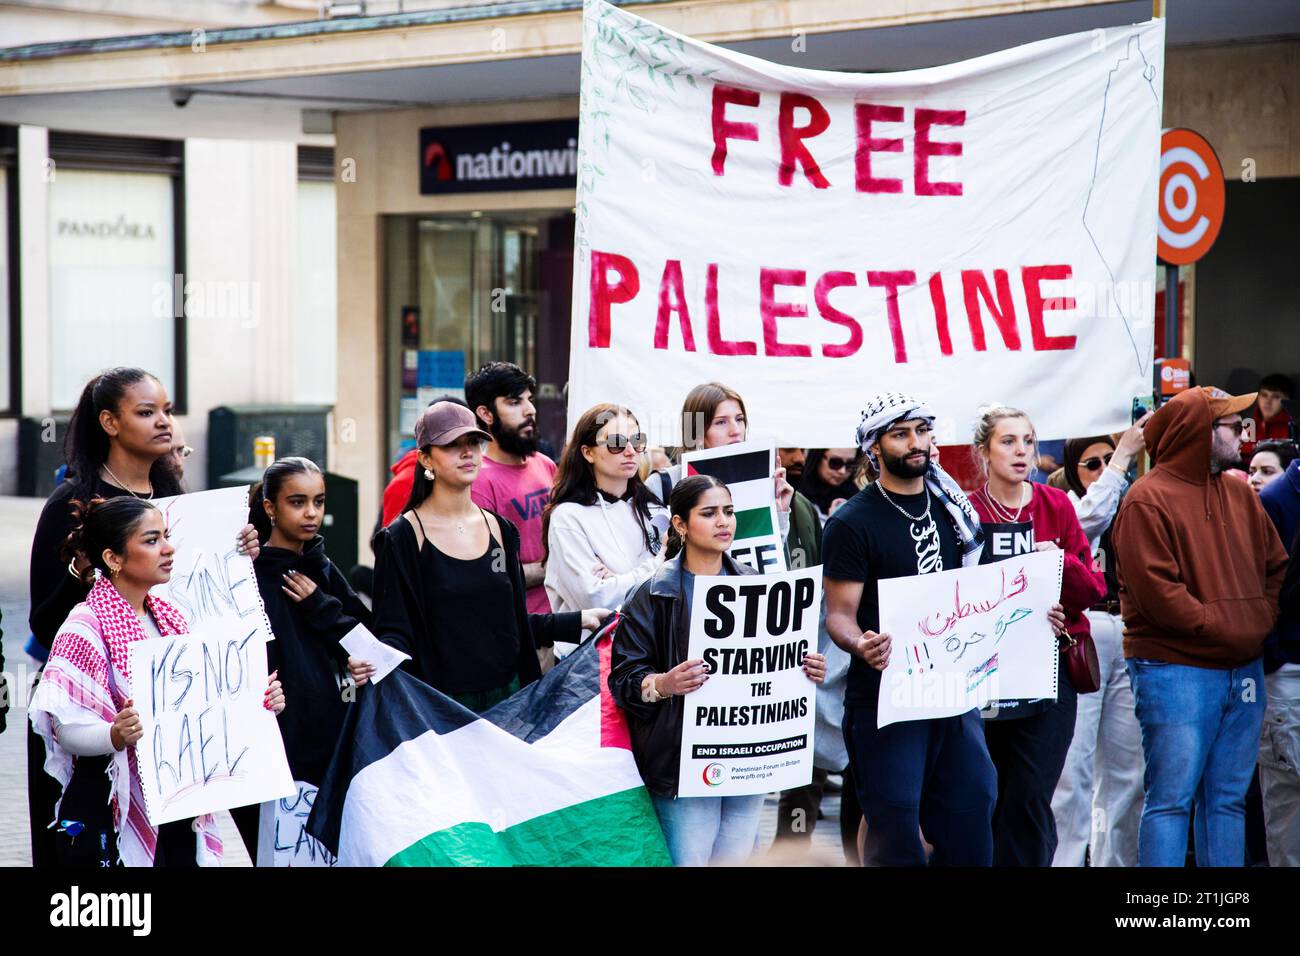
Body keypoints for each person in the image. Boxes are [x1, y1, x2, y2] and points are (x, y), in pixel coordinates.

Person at [26, 367, 259, 867]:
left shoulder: (182, 502)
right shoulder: (70, 503)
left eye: (168, 411)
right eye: (147, 412)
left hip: (171, 720)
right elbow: (43, 625)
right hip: (96, 718)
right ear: (110, 422)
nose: (164, 422)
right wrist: (80, 571)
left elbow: (203, 609)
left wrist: (239, 551)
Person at [825, 392, 1049, 866]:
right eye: (901, 434)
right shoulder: (851, 521)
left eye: (923, 431)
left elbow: (984, 595)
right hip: (886, 699)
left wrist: (1036, 613)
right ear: (874, 447)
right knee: (896, 827)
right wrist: (861, 643)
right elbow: (839, 614)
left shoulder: (954, 511)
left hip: (953, 695)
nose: (916, 443)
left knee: (973, 809)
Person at [28, 496, 284, 867]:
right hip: (111, 804)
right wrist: (114, 734)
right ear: (113, 558)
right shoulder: (85, 626)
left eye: (165, 536)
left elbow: (205, 705)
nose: (168, 548)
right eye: (151, 540)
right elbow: (65, 729)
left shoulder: (172, 618)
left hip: (174, 804)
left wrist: (258, 700)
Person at [610, 475, 827, 865]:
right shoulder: (652, 593)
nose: (724, 521)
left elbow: (775, 660)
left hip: (750, 757)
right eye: (709, 513)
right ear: (680, 524)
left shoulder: (758, 584)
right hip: (682, 761)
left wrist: (805, 667)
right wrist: (664, 683)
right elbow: (624, 680)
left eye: (728, 511)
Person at [1112, 386, 1288, 866]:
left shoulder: (1239, 492)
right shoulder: (1146, 499)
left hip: (1242, 666)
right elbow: (1158, 594)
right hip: (1175, 669)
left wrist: (1257, 620)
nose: (1244, 434)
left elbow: (1276, 566)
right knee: (1171, 801)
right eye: (1232, 426)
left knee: (1227, 801)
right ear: (1199, 433)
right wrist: (1228, 625)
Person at [373, 401, 604, 711]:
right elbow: (394, 632)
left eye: (473, 442)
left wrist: (577, 621)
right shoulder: (401, 538)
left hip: (508, 702)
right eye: (452, 445)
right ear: (426, 458)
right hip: (440, 709)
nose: (467, 452)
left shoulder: (501, 529)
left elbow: (509, 622)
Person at [968, 407, 1107, 867]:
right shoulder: (966, 512)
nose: (1021, 451)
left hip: (1050, 670)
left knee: (1030, 794)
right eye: (1008, 441)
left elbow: (1093, 589)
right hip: (984, 673)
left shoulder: (1056, 504)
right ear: (984, 451)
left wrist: (1059, 562)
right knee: (987, 791)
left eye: (1028, 441)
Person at [230, 457, 375, 856]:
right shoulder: (247, 571)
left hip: (326, 728)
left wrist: (319, 606)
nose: (311, 513)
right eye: (297, 502)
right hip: (267, 734)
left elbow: (364, 640)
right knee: (273, 850)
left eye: (319, 501)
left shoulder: (320, 566)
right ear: (270, 507)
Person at [1050, 420, 1151, 868]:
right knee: (1074, 768)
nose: (1104, 469)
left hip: (1126, 627)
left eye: (1108, 460)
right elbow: (1085, 522)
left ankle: (1115, 863)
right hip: (1082, 629)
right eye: (1092, 464)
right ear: (1073, 470)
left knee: (1128, 772)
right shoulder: (1068, 506)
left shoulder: (1132, 501)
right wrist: (1122, 459)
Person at [543, 404, 667, 627]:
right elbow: (596, 600)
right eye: (616, 443)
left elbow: (681, 580)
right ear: (588, 452)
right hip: (597, 646)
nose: (630, 451)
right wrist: (659, 564)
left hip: (653, 641)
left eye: (637, 441)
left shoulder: (654, 509)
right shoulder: (568, 517)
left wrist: (618, 580)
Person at [465, 363, 556, 621]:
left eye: (530, 399)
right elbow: (486, 572)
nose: (530, 410)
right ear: (486, 413)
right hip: (522, 625)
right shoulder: (479, 481)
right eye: (515, 402)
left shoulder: (545, 464)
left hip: (566, 618)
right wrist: (555, 568)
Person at [1258, 437, 1300, 865]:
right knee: (1288, 813)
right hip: (1289, 673)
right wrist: (1275, 659)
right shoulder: (1276, 500)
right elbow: (1260, 587)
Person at [799, 448, 862, 522]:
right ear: (817, 458)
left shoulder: (857, 497)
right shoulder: (797, 496)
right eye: (835, 463)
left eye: (850, 464)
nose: (842, 471)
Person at [1242, 373, 1294, 461]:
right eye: (1264, 395)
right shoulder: (1246, 427)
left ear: (1287, 400)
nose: (1268, 402)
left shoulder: (1293, 429)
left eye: (1276, 397)